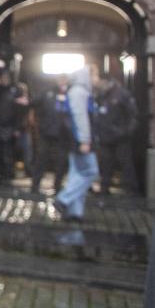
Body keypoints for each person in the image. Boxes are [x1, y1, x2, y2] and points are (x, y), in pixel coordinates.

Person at [54, 66, 99, 221]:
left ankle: (75, 212)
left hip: (73, 139)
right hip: (80, 139)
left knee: (76, 173)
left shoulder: (74, 91)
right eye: (95, 75)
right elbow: (81, 117)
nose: (96, 79)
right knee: (90, 171)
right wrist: (85, 140)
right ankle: (63, 199)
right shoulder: (80, 92)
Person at [95, 76, 138, 195]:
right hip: (105, 137)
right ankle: (104, 189)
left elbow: (133, 114)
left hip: (120, 138)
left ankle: (131, 191)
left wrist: (125, 132)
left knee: (125, 163)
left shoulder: (122, 94)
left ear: (107, 82)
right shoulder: (101, 95)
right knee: (105, 164)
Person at [31, 76, 70, 193]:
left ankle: (58, 185)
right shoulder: (47, 92)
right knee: (41, 159)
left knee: (61, 161)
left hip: (62, 134)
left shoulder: (70, 93)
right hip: (46, 132)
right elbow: (35, 102)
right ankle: (35, 185)